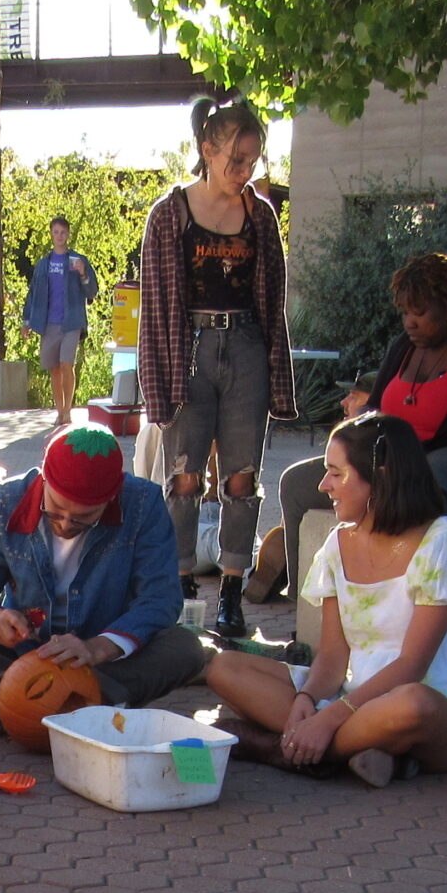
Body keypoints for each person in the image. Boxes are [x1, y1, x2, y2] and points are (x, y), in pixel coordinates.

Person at [211, 413, 447, 788]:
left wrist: (327, 719)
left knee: (412, 705)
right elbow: (333, 656)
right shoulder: (337, 543)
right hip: (352, 697)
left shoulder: (442, 540)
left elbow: (413, 665)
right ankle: (368, 752)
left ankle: (283, 751)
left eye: (336, 473)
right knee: (225, 668)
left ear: (379, 477)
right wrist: (306, 698)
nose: (323, 485)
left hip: (437, 701)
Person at [270, 252, 447, 599]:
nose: (410, 323)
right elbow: (377, 407)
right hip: (400, 458)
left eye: (420, 312)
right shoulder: (403, 348)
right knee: (296, 483)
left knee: (414, 485)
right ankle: (308, 609)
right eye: (404, 312)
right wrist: (360, 424)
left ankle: (395, 605)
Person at [0, 425, 210, 711]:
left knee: (186, 648)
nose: (65, 524)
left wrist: (99, 648)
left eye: (83, 517)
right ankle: (75, 706)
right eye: (56, 510)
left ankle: (18, 711)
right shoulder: (2, 503)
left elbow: (160, 599)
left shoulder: (143, 504)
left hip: (103, 660)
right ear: (44, 480)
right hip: (22, 658)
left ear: (111, 497)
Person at [137, 95, 297, 641]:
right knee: (183, 476)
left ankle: (231, 590)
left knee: (241, 476)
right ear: (207, 150)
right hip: (190, 350)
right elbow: (156, 307)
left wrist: (278, 375)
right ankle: (178, 588)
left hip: (246, 348)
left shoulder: (260, 215)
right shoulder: (169, 214)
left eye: (253, 161)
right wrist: (155, 386)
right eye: (236, 160)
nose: (244, 172)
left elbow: (272, 301)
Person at [23, 217, 97, 429]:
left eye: (63, 232)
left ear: (68, 234)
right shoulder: (43, 264)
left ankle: (67, 411)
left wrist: (83, 273)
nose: (59, 236)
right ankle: (59, 410)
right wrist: (26, 320)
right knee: (54, 368)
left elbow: (92, 291)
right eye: (56, 232)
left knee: (67, 364)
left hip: (71, 322)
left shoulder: (77, 260)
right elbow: (33, 294)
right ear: (51, 234)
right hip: (48, 323)